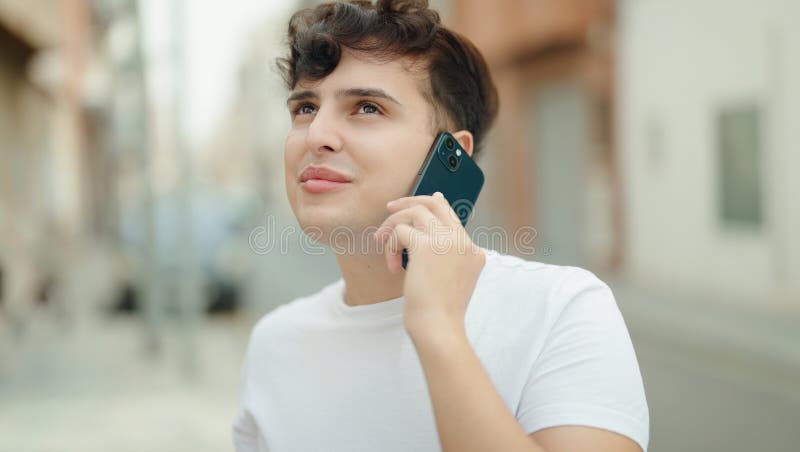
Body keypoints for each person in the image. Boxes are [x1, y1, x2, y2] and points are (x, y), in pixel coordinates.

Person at [232, 1, 649, 451]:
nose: (316, 136)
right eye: (306, 108)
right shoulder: (275, 344)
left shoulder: (561, 311)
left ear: (452, 156)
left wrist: (438, 330)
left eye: (367, 107)